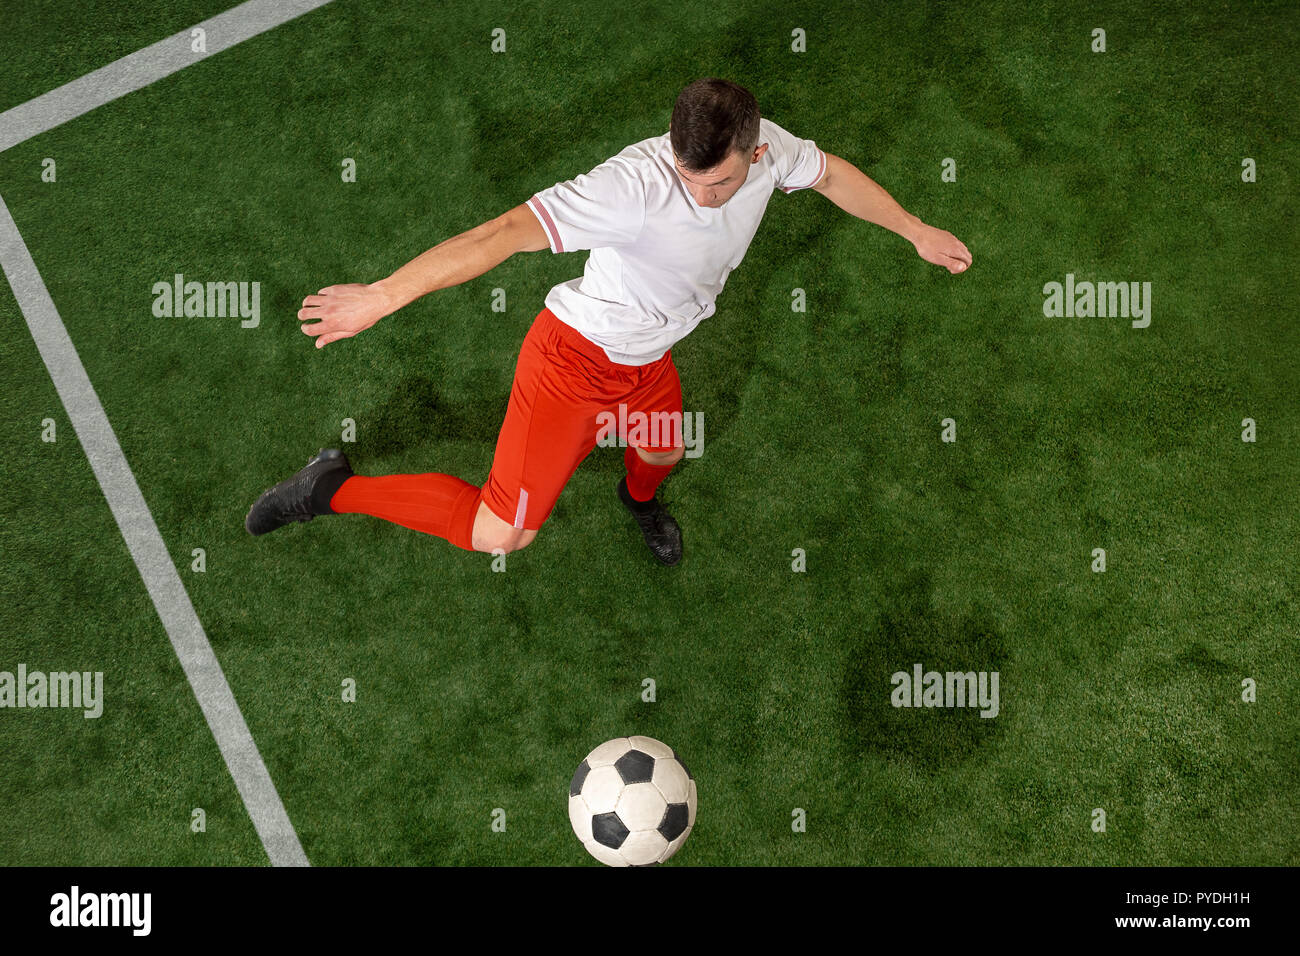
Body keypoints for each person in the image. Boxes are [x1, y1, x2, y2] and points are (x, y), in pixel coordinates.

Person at [246, 78, 972, 565]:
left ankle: (638, 500)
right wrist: (385, 293)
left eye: (718, 182)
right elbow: (500, 233)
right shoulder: (630, 188)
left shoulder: (771, 149)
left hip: (647, 362)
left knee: (660, 454)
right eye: (688, 178)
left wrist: (912, 228)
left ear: (755, 153)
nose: (700, 194)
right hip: (572, 364)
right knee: (505, 532)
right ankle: (327, 490)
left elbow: (833, 174)